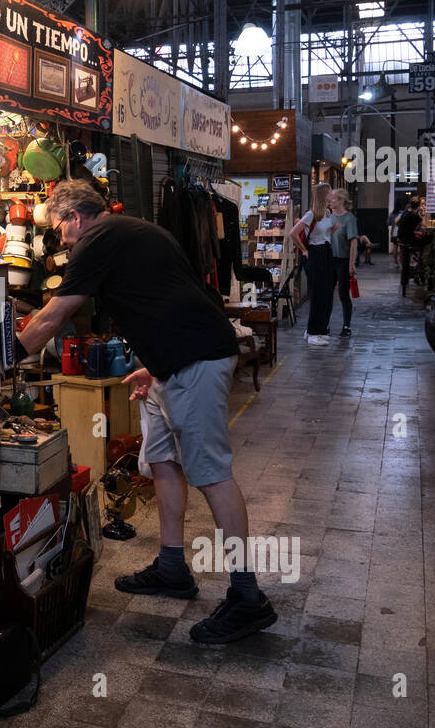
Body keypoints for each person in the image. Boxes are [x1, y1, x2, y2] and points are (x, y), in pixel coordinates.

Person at [16, 180, 278, 644]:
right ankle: (173, 567)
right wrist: (152, 366)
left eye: (58, 230)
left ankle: (247, 597)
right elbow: (166, 298)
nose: (61, 241)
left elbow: (55, 316)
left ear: (74, 217)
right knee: (162, 461)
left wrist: (3, 357)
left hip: (196, 359)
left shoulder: (97, 239)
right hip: (170, 363)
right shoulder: (134, 230)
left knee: (212, 473)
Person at [288, 183, 339, 346]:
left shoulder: (328, 213)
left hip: (327, 252)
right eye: (330, 193)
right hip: (315, 254)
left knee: (327, 294)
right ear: (323, 196)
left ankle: (321, 329)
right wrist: (304, 250)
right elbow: (293, 233)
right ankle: (312, 332)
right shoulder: (311, 214)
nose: (332, 196)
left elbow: (326, 233)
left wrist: (333, 229)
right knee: (318, 294)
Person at [327, 188, 359, 337]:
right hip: (329, 260)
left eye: (333, 198)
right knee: (327, 294)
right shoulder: (329, 216)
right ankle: (324, 324)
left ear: (340, 201)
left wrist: (352, 263)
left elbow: (353, 242)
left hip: (343, 261)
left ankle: (346, 326)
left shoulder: (349, 219)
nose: (330, 200)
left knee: (343, 294)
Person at [395, 197, 423, 296]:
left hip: (402, 239)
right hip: (409, 240)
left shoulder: (405, 213)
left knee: (405, 262)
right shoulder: (414, 215)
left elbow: (396, 221)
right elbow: (422, 222)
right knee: (425, 244)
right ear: (418, 206)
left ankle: (413, 264)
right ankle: (419, 264)